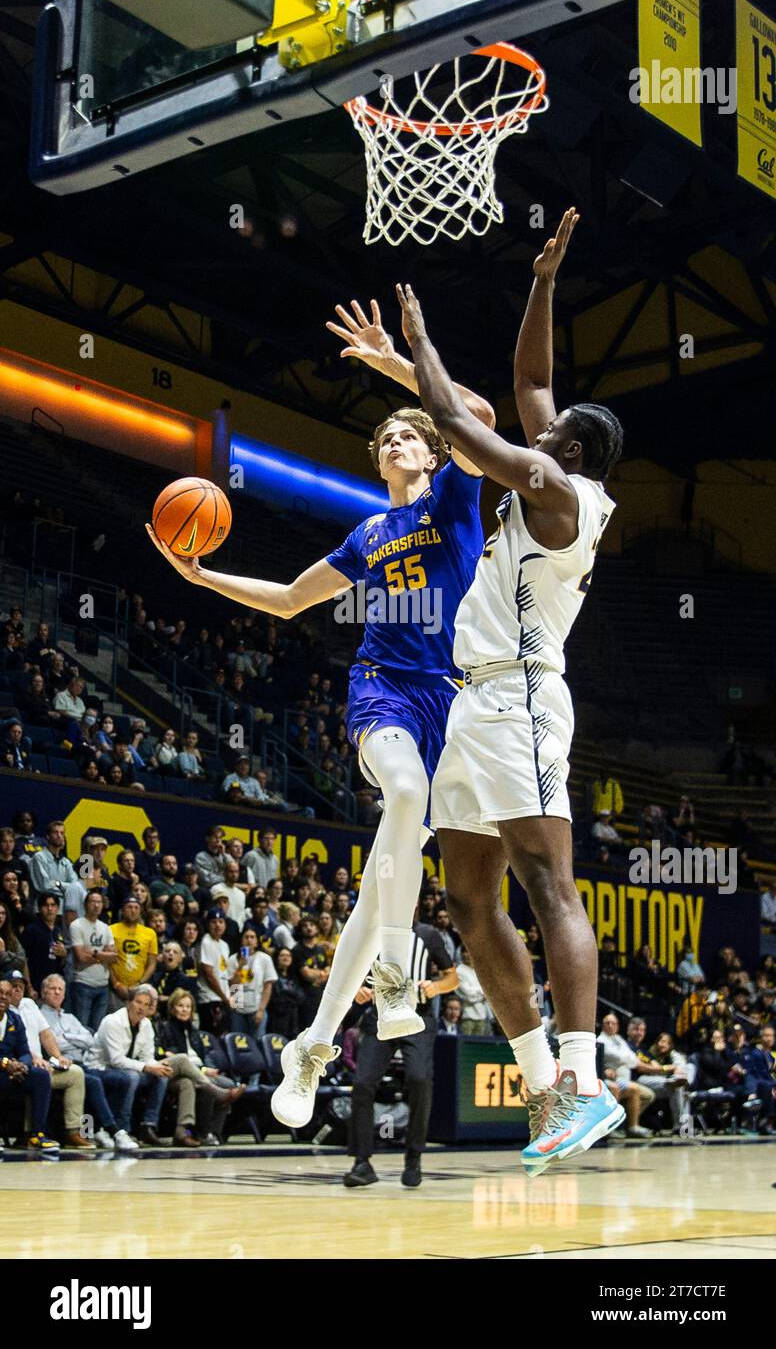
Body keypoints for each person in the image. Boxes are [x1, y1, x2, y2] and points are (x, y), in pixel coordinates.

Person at [147, 300, 495, 1133]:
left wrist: (393, 363)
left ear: (431, 451)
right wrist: (203, 578)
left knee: (381, 883)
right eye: (386, 440)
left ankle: (311, 1043)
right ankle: (396, 982)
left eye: (407, 435)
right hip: (382, 688)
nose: (395, 443)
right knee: (404, 794)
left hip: (450, 700)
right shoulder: (370, 532)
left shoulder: (455, 498)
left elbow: (479, 416)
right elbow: (291, 600)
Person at [394, 215, 626, 1174]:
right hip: (473, 704)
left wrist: (420, 346)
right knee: (466, 898)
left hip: (523, 699)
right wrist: (543, 281)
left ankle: (586, 1078)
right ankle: (544, 1091)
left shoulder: (555, 489)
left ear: (573, 452)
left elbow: (458, 424)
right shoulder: (550, 469)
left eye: (554, 431)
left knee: (545, 881)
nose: (542, 424)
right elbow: (532, 382)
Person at [344, 918, 458, 1189]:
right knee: (362, 1084)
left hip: (418, 1017)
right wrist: (358, 989)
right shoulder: (374, 932)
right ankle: (362, 1162)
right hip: (380, 1017)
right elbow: (353, 972)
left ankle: (414, 1156)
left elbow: (452, 977)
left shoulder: (428, 934)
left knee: (419, 1079)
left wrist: (436, 987)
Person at [37, 973, 139, 1151]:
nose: (57, 992)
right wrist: (71, 1039)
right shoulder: (39, 1016)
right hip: (60, 1066)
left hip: (84, 1064)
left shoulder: (70, 1017)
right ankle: (115, 1130)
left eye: (60, 989)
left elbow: (89, 1040)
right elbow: (51, 1042)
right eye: (53, 989)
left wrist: (65, 1037)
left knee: (123, 1079)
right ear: (44, 992)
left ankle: (99, 1129)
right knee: (93, 1082)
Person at [5, 971, 95, 1148]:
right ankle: (31, 1133)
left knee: (76, 1074)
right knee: (39, 1076)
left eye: (21, 986)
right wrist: (33, 1058)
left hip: (41, 1064)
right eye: (14, 986)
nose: (17, 990)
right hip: (16, 1066)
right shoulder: (4, 1010)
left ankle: (73, 1132)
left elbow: (46, 1034)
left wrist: (58, 1057)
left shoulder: (30, 1004)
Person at [86, 985, 172, 1145]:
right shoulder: (112, 1021)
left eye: (146, 1004)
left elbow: (147, 1057)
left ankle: (148, 1126)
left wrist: (158, 1067)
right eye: (138, 1002)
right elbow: (116, 1060)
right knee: (132, 1077)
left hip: (125, 1069)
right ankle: (123, 1129)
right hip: (99, 1069)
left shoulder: (146, 1025)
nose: (141, 1008)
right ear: (128, 1003)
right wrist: (147, 1067)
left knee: (161, 1077)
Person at [158, 988, 244, 1146]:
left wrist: (207, 1068)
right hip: (180, 1073)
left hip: (199, 1071)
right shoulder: (165, 1028)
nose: (184, 1010)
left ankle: (214, 1131)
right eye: (180, 1006)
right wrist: (203, 1071)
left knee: (228, 1084)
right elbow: (171, 1056)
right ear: (172, 1008)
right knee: (206, 1087)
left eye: (188, 1006)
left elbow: (203, 1057)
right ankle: (202, 1133)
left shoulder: (194, 1032)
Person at [0, 976, 59, 1151]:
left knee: (41, 1076)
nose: (3, 997)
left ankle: (37, 1134)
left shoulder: (15, 1019)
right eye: (0, 993)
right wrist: (5, 1064)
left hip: (12, 1072)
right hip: (4, 1069)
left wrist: (22, 1065)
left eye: (7, 994)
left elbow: (25, 1051)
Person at [598, 1013, 654, 1138]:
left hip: (623, 1079)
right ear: (602, 1025)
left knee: (646, 1094)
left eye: (613, 1023)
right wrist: (628, 1059)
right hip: (611, 1079)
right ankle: (614, 1127)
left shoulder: (619, 1039)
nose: (610, 1025)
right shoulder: (600, 1040)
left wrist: (628, 1059)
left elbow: (632, 1058)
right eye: (607, 1023)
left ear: (618, 1026)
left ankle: (629, 1125)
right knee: (632, 1089)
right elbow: (619, 1057)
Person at [69, 888, 117, 1029]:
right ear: (85, 904)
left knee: (98, 1029)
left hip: (103, 985)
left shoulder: (106, 928)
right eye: (93, 902)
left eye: (99, 902)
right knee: (81, 1028)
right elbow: (81, 957)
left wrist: (94, 953)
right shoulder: (76, 925)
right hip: (83, 983)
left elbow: (114, 957)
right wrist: (103, 955)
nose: (96, 905)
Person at [227, 925, 277, 1036]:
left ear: (256, 942)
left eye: (252, 937)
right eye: (246, 937)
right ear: (241, 941)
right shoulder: (233, 959)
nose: (249, 940)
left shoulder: (265, 958)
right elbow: (232, 985)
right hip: (237, 1007)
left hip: (257, 1006)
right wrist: (240, 966)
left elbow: (268, 986)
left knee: (258, 1041)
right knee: (238, 1040)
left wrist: (261, 1010)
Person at [109, 895, 159, 1006]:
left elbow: (152, 963)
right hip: (114, 988)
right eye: (129, 907)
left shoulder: (150, 933)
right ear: (122, 910)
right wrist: (116, 984)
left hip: (139, 988)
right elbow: (106, 962)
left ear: (140, 911)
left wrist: (139, 984)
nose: (133, 910)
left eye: (136, 908)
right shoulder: (111, 930)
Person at [21, 892, 67, 995]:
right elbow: (23, 960)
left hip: (55, 987)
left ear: (57, 908)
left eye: (53, 905)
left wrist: (64, 955)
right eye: (46, 905)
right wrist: (29, 987)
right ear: (39, 908)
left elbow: (61, 963)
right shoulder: (31, 930)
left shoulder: (58, 931)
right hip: (36, 986)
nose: (50, 909)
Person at [28, 820, 81, 906]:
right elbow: (45, 886)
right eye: (56, 832)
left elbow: (75, 887)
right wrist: (66, 890)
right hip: (43, 909)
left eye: (62, 833)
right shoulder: (39, 857)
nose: (59, 836)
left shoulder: (66, 862)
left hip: (63, 909)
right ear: (48, 836)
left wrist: (58, 884)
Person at [197, 907, 233, 1033]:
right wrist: (225, 998)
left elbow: (224, 974)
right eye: (213, 922)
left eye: (221, 922)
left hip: (222, 998)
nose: (218, 925)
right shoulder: (206, 941)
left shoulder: (225, 945)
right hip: (209, 999)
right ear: (208, 924)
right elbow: (209, 975)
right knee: (211, 1037)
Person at [455, 945, 493, 1035]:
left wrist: (481, 993)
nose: (467, 954)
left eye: (469, 951)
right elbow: (469, 995)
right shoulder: (459, 970)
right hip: (467, 1017)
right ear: (461, 954)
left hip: (482, 1017)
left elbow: (488, 990)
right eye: (465, 952)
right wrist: (483, 994)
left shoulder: (479, 971)